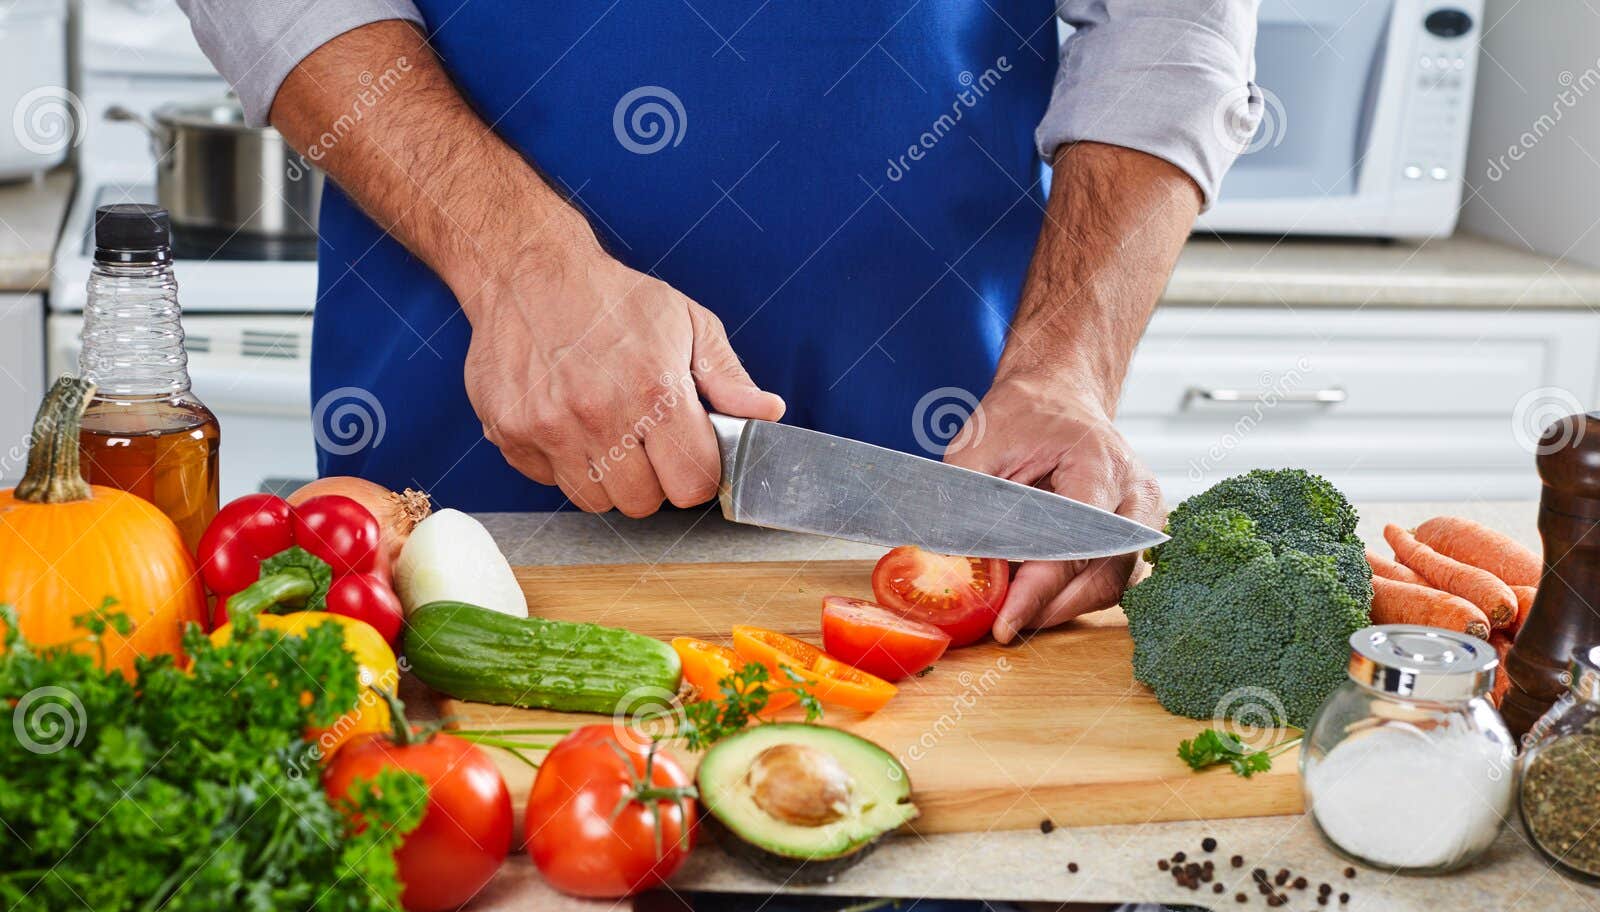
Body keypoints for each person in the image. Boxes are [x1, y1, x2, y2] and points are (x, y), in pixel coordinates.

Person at [179, 1, 1259, 638]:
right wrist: (515, 266)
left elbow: (1169, 16)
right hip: (473, 364)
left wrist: (1065, 366)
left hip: (936, 417)